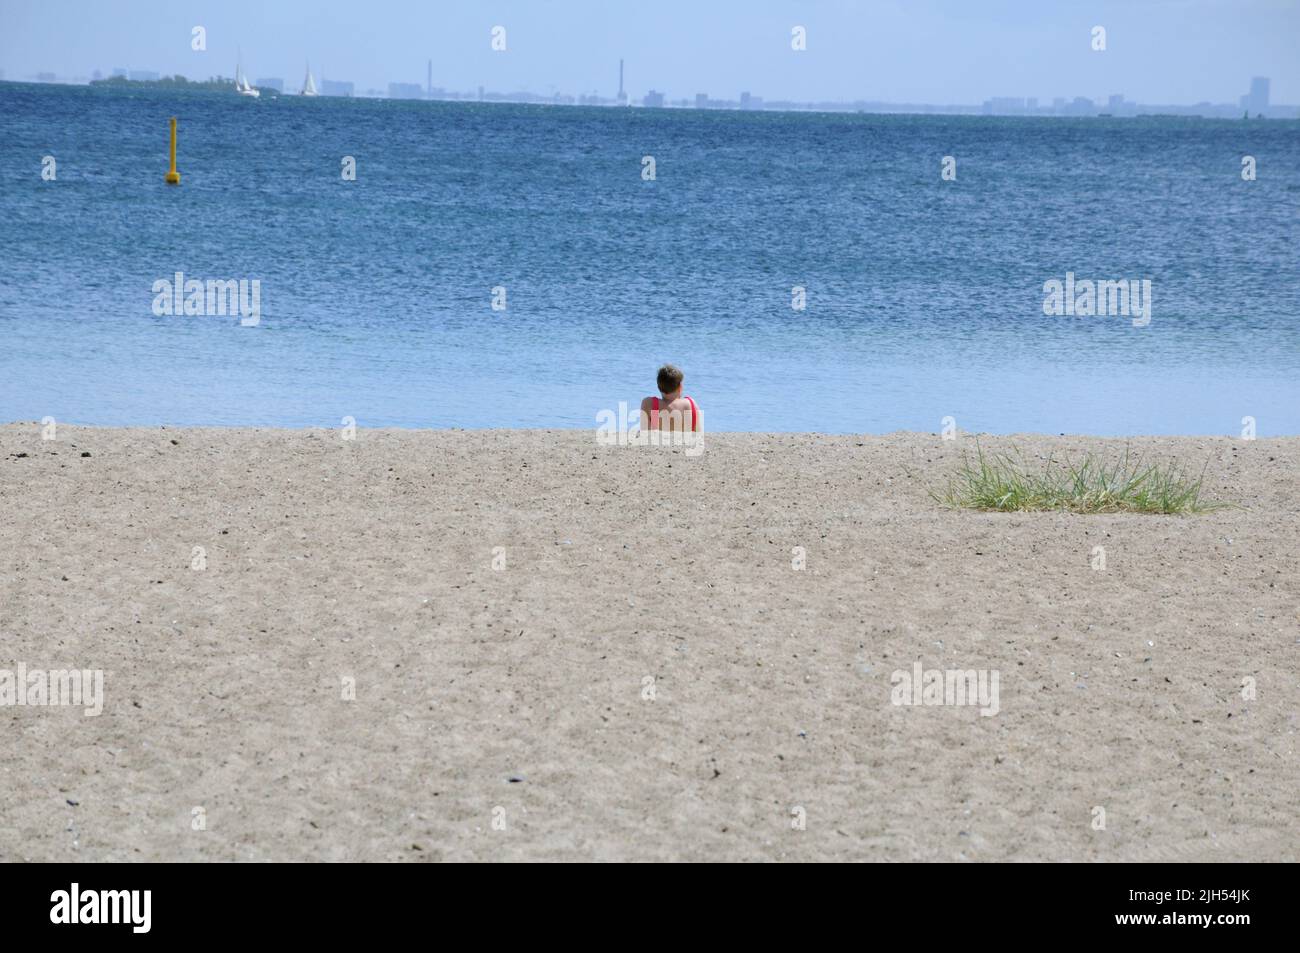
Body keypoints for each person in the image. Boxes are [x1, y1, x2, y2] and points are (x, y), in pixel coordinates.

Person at [640, 364, 701, 434]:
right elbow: (698, 434)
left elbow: (644, 432)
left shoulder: (649, 403)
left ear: (658, 387)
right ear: (680, 387)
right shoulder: (691, 404)